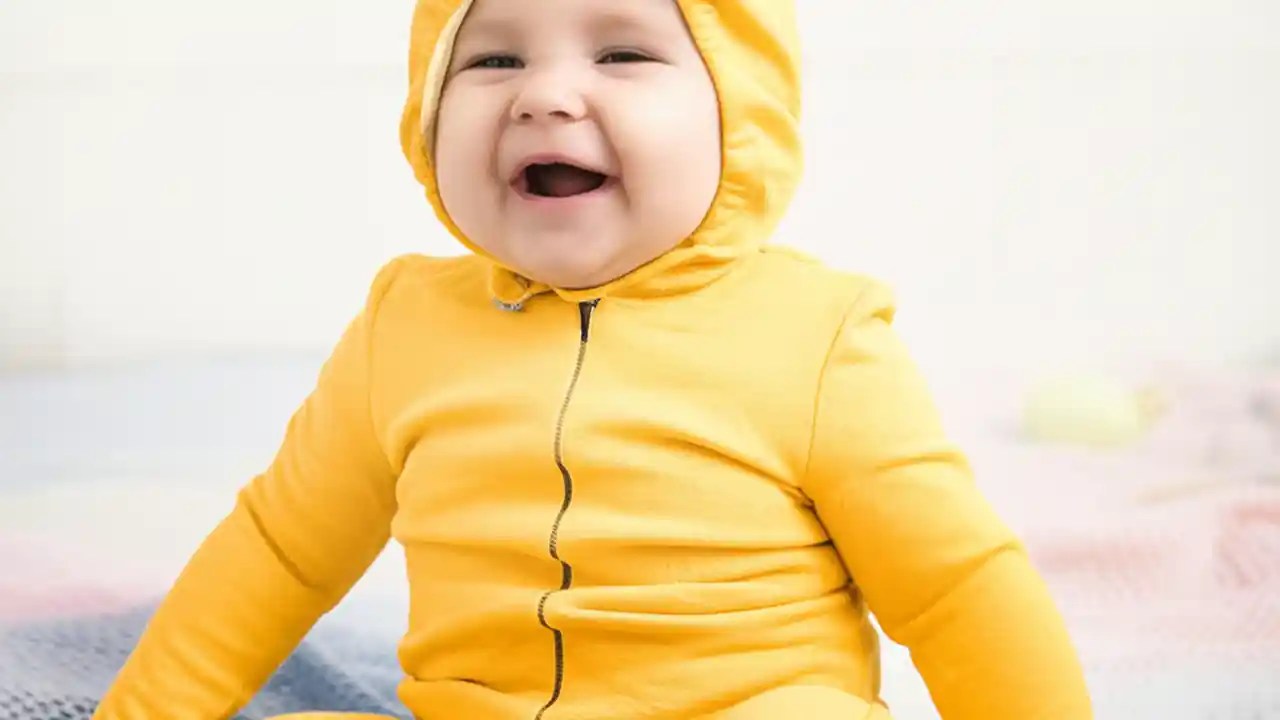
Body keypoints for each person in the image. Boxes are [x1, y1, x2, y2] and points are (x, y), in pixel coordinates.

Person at [94, 0, 1092, 717]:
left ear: (736, 114)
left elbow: (956, 589)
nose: (544, 96)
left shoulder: (817, 337)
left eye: (620, 51)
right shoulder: (403, 329)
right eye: (489, 61)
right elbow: (276, 552)